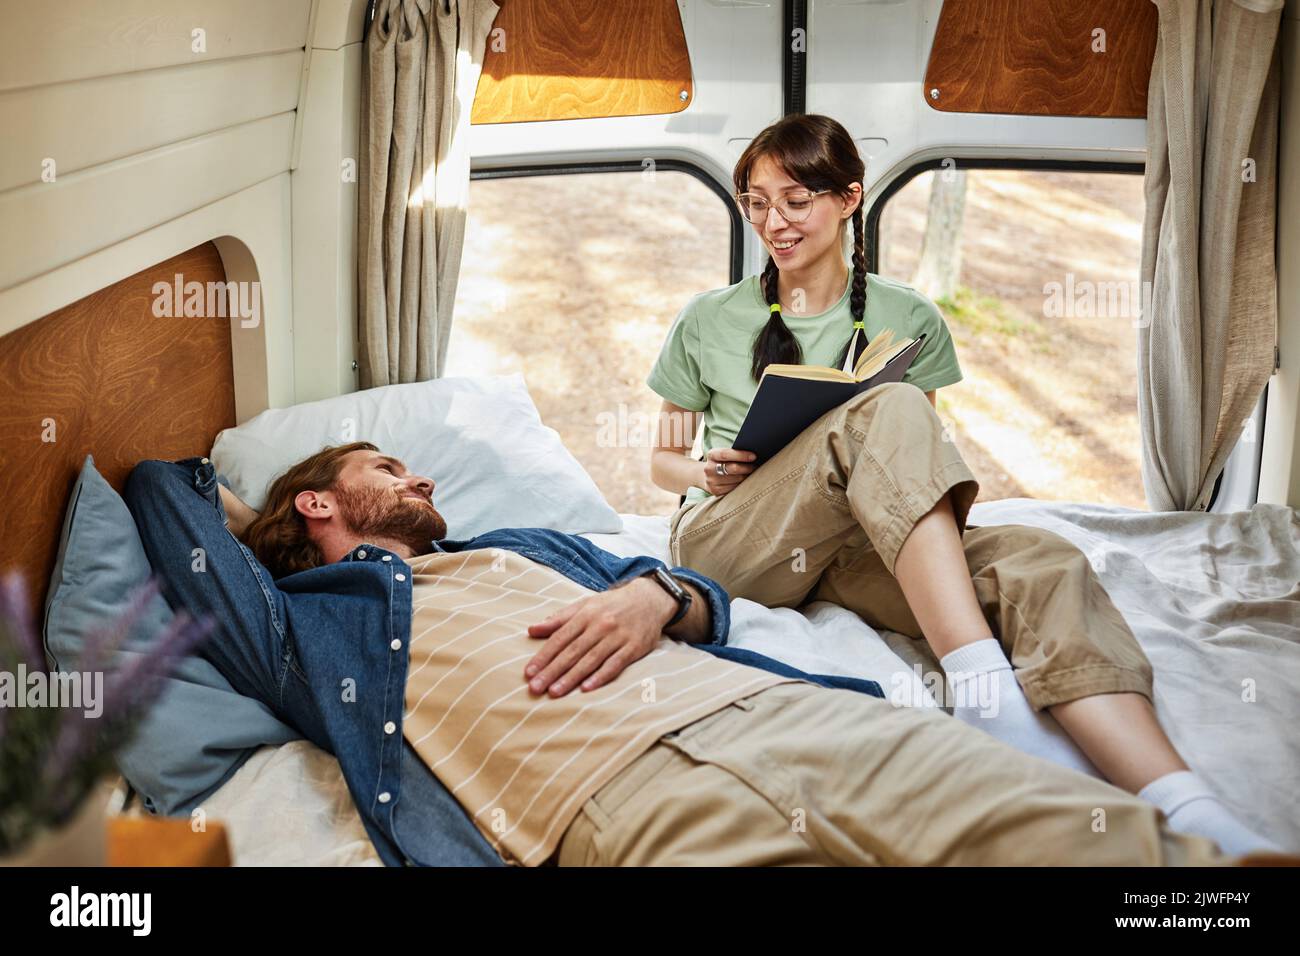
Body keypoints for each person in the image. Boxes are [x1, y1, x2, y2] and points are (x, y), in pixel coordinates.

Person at [124, 446, 1278, 866]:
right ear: (322, 495)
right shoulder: (299, 622)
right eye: (388, 468)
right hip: (611, 808)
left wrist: (650, 595)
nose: (422, 480)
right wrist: (252, 504)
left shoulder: (526, 545)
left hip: (791, 720)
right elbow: (161, 491)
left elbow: (708, 593)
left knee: (1135, 857)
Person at [645, 113, 1280, 857]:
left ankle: (1189, 803)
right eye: (756, 203)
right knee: (884, 407)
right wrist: (704, 472)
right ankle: (989, 698)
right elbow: (661, 462)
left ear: (849, 198)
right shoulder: (709, 319)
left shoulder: (908, 316)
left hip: (850, 549)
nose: (773, 222)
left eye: (795, 200)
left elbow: (916, 461)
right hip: (732, 544)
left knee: (1042, 560)